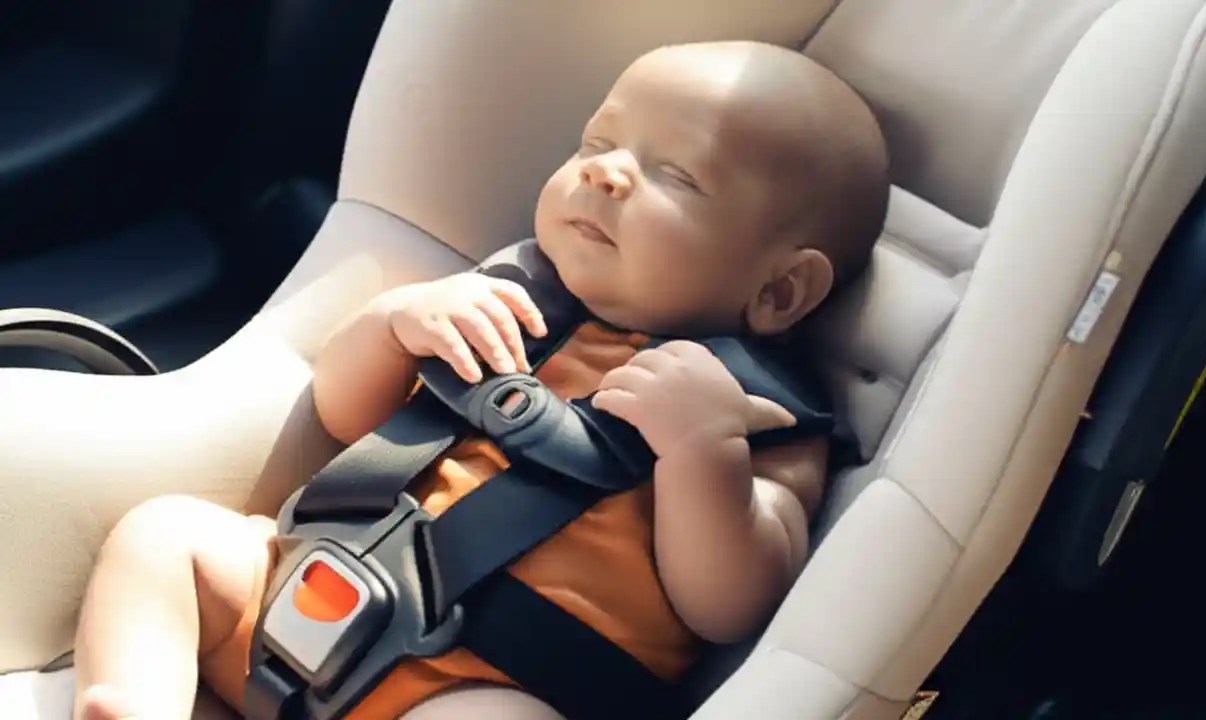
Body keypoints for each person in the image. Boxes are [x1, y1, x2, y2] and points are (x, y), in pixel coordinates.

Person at [72, 39, 889, 720]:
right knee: (169, 535)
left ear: (781, 292)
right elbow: (346, 416)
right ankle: (133, 703)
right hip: (291, 595)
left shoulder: (759, 414)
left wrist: (704, 451)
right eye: (596, 146)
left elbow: (730, 604)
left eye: (678, 176)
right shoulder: (512, 303)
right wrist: (394, 326)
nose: (607, 173)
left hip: (481, 685)